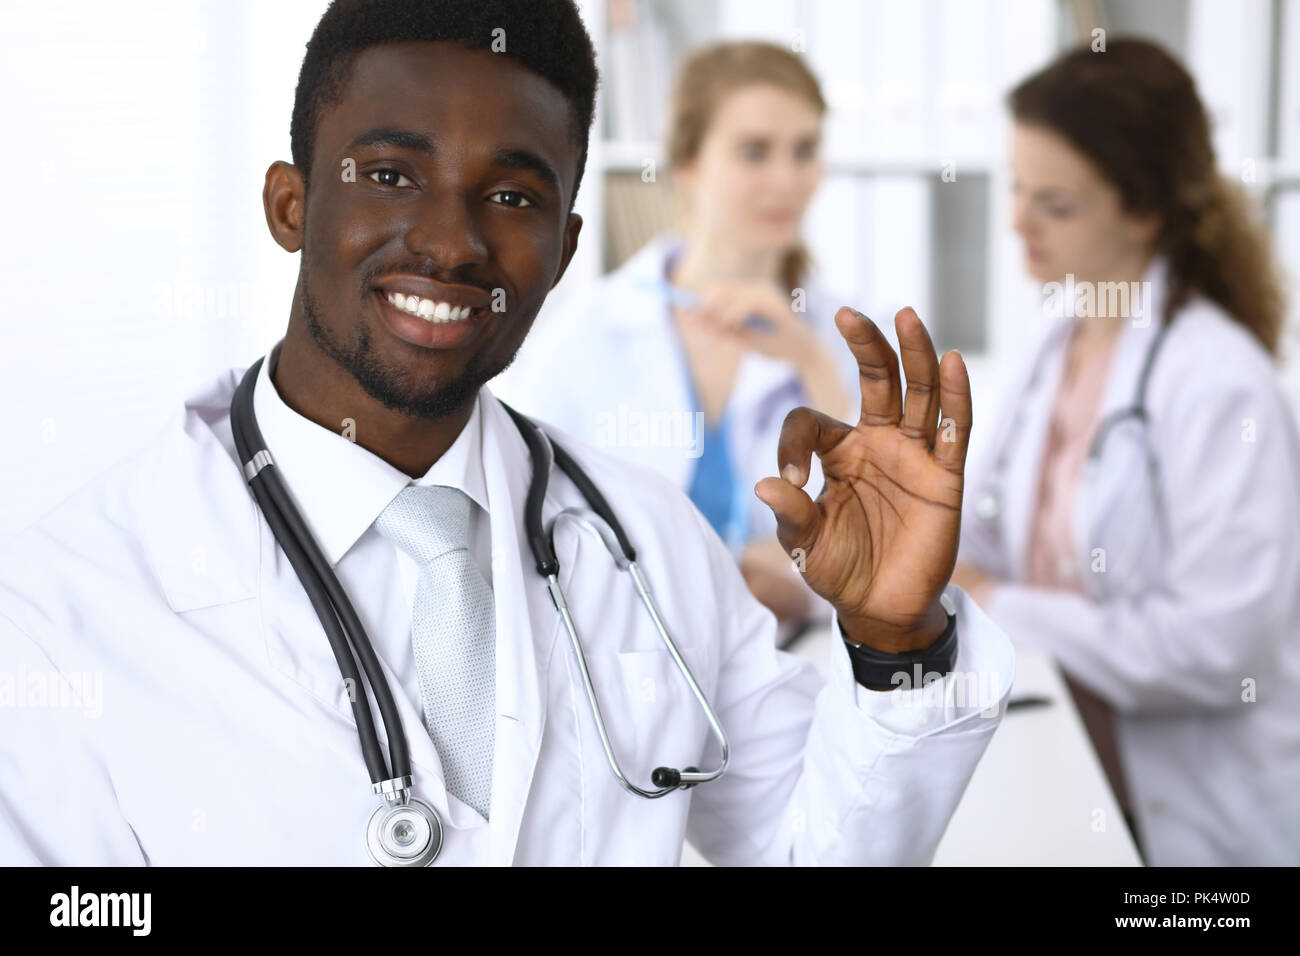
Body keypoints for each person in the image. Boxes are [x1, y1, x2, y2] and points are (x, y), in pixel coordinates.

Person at [0, 0, 1012, 866]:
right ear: (289, 201)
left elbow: (808, 850)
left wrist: (892, 645)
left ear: (565, 245)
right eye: (390, 175)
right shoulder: (66, 605)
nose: (450, 240)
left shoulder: (650, 546)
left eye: (513, 195)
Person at [951, 38, 1300, 866]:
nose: (1017, 224)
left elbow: (1214, 650)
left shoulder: (1219, 381)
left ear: (1144, 210)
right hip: (1072, 768)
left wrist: (996, 600)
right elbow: (995, 542)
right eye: (1017, 189)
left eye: (1057, 204)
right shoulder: (1060, 344)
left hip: (1201, 822)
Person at [497, 41, 861, 633]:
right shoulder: (589, 331)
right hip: (623, 669)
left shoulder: (840, 337)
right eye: (754, 152)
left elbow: (880, 555)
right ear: (688, 164)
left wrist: (812, 363)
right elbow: (519, 530)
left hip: (793, 667)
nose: (787, 180)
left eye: (805, 151)